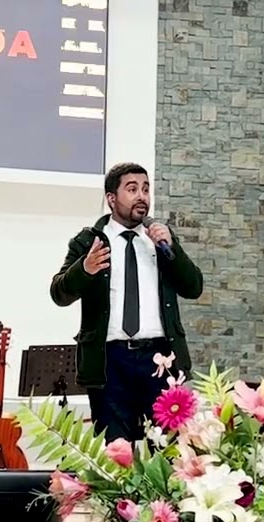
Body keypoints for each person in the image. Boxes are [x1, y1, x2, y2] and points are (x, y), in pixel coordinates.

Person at [49, 162, 204, 443]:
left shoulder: (159, 240)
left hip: (160, 359)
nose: (141, 196)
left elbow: (193, 287)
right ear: (111, 198)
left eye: (145, 189)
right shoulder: (89, 242)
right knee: (115, 451)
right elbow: (59, 293)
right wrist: (84, 269)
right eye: (132, 189)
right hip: (111, 361)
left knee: (166, 449)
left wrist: (173, 249)